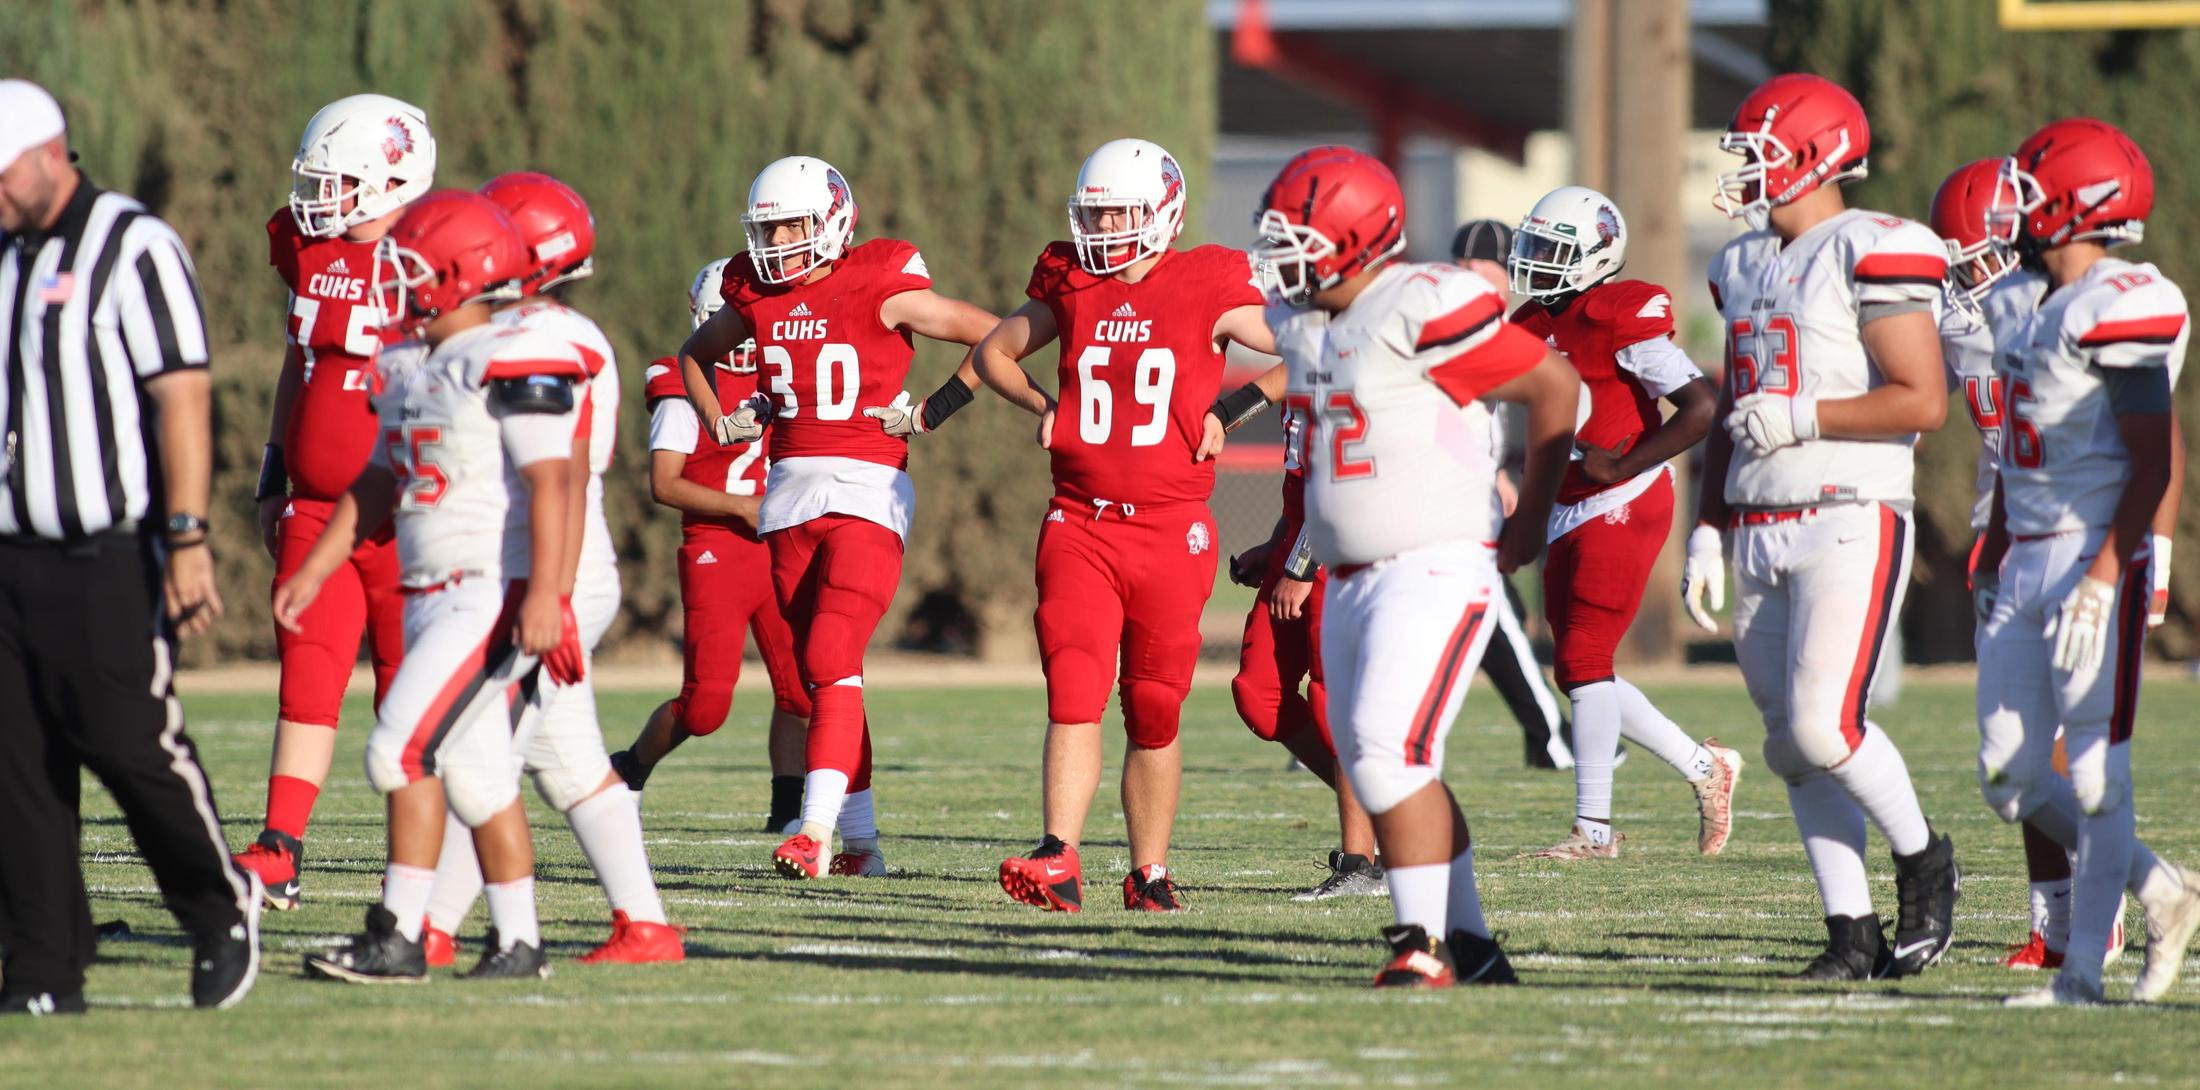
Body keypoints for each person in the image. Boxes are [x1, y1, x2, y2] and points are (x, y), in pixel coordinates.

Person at [1257, 145, 1580, 987]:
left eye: (1299, 240)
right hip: (1348, 577)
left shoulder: (1419, 303)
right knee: (1390, 764)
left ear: (1358, 240)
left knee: (1384, 754)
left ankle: (1420, 944)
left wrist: (1532, 519)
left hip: (1432, 563)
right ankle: (1473, 948)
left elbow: (1554, 386)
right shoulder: (1305, 321)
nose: (1282, 257)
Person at [1688, 73, 1960, 981]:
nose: (1743, 171)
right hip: (1757, 518)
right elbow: (1735, 407)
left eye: (1759, 153)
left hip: (1847, 510)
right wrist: (1705, 526)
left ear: (1816, 156)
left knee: (1824, 727)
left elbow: (1922, 398)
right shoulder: (1739, 263)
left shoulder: (1871, 246)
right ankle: (1851, 933)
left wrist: (1805, 416)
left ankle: (1925, 858)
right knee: (1787, 747)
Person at [279, 189, 586, 982]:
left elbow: (553, 481)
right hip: (427, 591)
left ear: (462, 271)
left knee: (397, 749)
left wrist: (548, 593)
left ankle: (399, 935)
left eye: (411, 267)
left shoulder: (512, 353)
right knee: (478, 779)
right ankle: (520, 943)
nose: (396, 280)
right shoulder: (408, 362)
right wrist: (316, 566)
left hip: (487, 591)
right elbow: (378, 481)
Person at [0, 78, 260, 1014]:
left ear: (48, 155)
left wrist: (188, 534)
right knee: (16, 767)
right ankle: (42, 969)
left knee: (128, 742)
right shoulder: (5, 257)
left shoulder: (132, 244)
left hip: (104, 549)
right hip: (9, 554)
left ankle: (218, 908)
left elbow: (181, 396)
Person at [972, 138, 1272, 912]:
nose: (1105, 227)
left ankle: (1149, 872)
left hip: (1171, 528)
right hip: (1080, 521)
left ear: (1164, 211)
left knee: (1154, 706)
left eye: (1121, 212)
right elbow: (994, 351)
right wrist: (1041, 405)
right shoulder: (1071, 280)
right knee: (1074, 683)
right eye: (1096, 212)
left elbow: (1311, 350)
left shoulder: (1208, 280)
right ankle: (1058, 856)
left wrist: (1236, 405)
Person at [679, 156, 997, 879]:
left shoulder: (881, 280)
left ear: (831, 221)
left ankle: (813, 831)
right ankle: (862, 846)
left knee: (829, 654)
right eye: (768, 229)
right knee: (829, 678)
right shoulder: (754, 291)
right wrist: (719, 419)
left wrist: (937, 407)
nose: (777, 242)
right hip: (788, 496)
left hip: (866, 488)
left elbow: (996, 334)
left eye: (791, 226)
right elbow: (695, 354)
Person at [417, 172, 682, 967]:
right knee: (568, 763)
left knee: (477, 751)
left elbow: (557, 476)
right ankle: (645, 927)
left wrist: (551, 595)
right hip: (553, 561)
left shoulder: (541, 337)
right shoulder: (538, 330)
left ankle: (429, 928)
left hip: (552, 564)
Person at [1971, 117, 2200, 1006]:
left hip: (2092, 551)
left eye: (2029, 192)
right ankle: (2163, 889)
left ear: (2080, 204)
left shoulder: (2122, 299)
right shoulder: (2022, 302)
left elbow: (2153, 462)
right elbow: (2011, 452)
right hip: (2026, 556)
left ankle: (2080, 977)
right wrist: (1994, 544)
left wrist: (2110, 572)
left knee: (2099, 772)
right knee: (2008, 777)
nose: (2014, 208)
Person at [235, 93, 436, 912]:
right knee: (307, 672)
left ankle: (415, 876)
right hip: (316, 504)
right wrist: (273, 470)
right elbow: (300, 362)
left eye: (339, 182)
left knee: (406, 693)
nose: (319, 198)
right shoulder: (307, 249)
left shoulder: (436, 258)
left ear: (393, 178)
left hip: (407, 513)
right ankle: (280, 847)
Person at [1503, 187, 1740, 860]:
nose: (1536, 259)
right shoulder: (1528, 321)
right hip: (1566, 499)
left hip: (1625, 493)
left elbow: (1701, 407)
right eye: (1534, 245)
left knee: (1584, 660)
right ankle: (1704, 766)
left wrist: (1625, 462)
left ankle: (1594, 831)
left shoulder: (1618, 314)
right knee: (1576, 671)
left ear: (1596, 256)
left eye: (1553, 250)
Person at [1928, 158, 2117, 971]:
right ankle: (2054, 922)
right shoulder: (1964, 317)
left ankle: (2100, 909)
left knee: (2066, 743)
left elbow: (2149, 434)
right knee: (2016, 752)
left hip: (2076, 534)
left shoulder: (2090, 308)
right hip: (2002, 533)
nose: (1961, 281)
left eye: (1972, 259)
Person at [613, 259, 812, 834]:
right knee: (704, 707)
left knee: (801, 691)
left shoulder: (782, 368)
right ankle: (627, 768)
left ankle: (786, 812)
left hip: (777, 543)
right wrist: (742, 507)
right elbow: (665, 484)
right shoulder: (683, 383)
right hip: (717, 548)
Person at [1452, 219, 1576, 770]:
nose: (1470, 276)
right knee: (1495, 618)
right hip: (1453, 493)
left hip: (1471, 495)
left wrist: (1499, 474)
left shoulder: (1515, 327)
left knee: (1499, 617)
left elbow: (1546, 396)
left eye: (1483, 267)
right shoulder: (1449, 320)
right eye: (1463, 266)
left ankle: (1551, 737)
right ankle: (1551, 737)